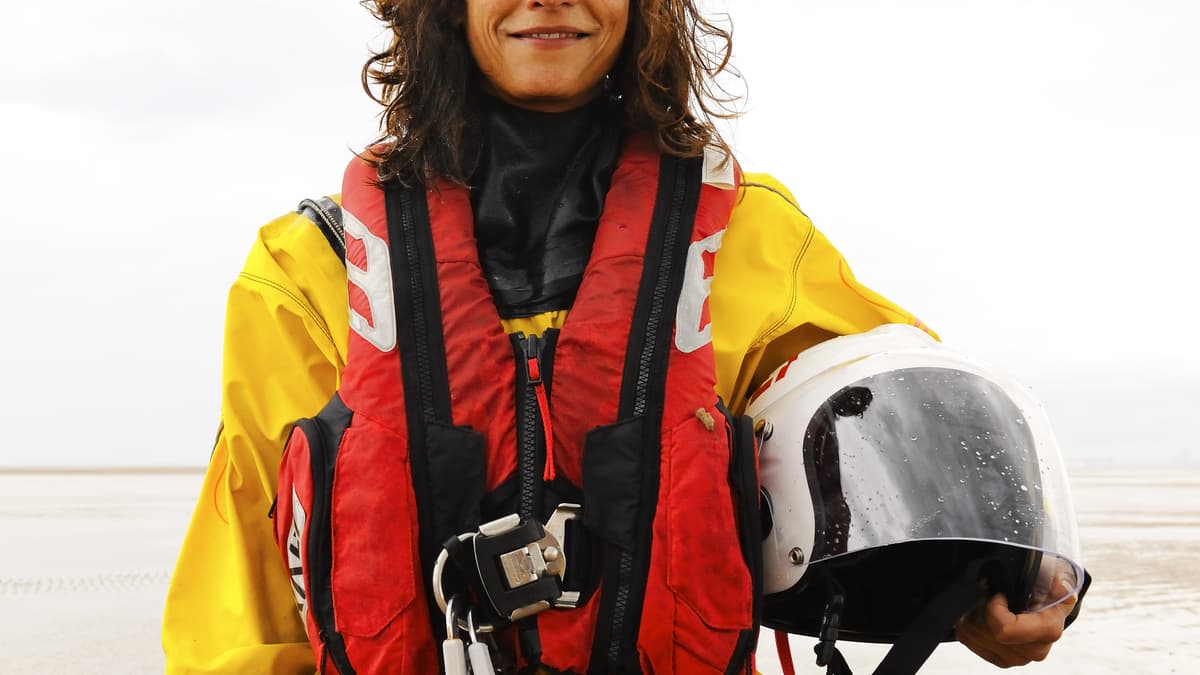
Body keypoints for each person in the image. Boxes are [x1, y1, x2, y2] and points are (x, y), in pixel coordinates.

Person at [162, 1, 1080, 673]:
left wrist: (999, 586)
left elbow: (930, 436)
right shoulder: (306, 271)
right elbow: (240, 572)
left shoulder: (750, 238)